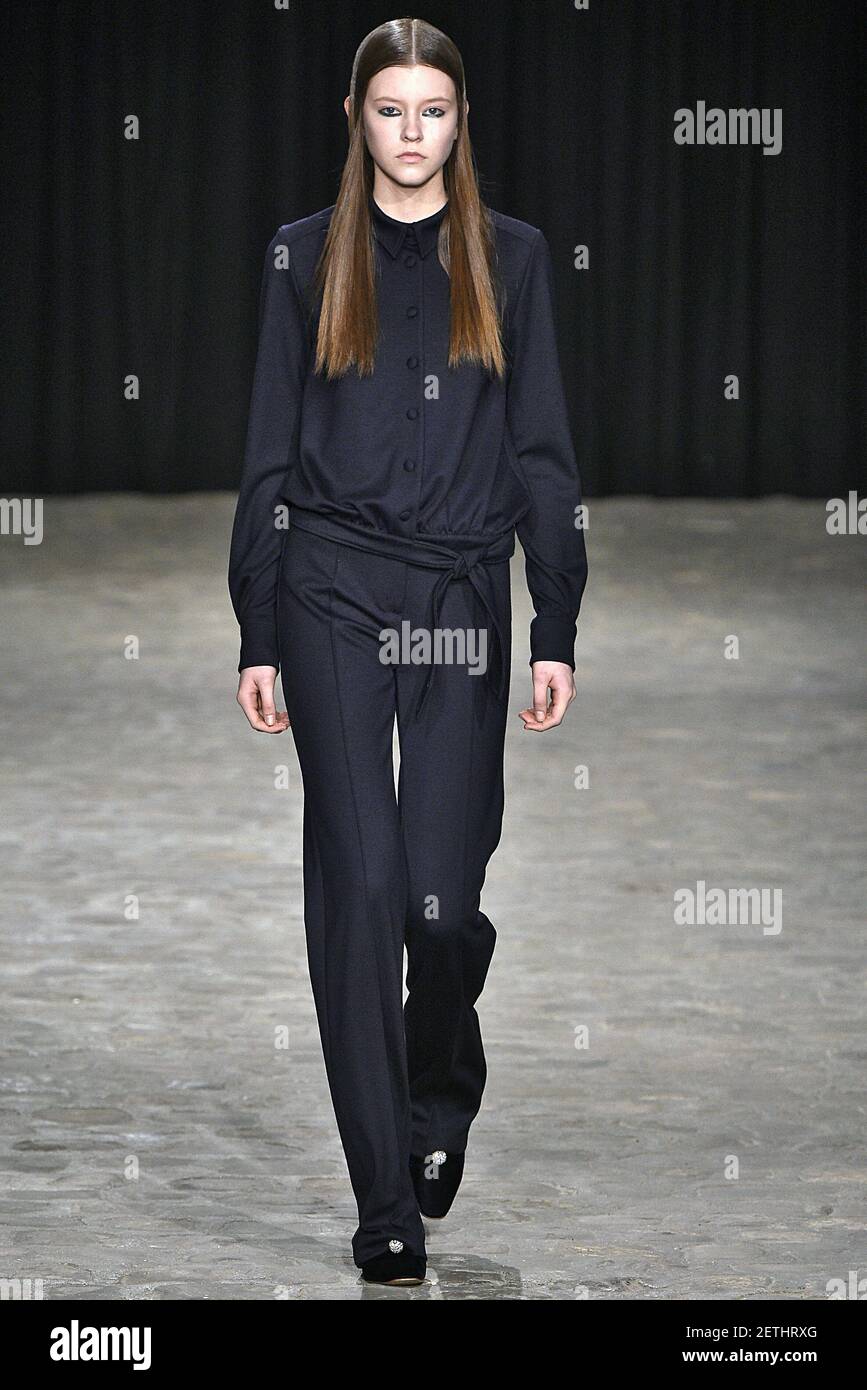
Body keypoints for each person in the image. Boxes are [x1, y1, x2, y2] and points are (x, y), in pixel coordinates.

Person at [228, 16, 588, 1288]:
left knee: (440, 902)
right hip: (328, 586)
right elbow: (270, 450)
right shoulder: (301, 259)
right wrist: (255, 621)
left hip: (459, 596)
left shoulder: (516, 260)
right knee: (363, 886)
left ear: (460, 123)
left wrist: (558, 617)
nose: (414, 132)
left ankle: (442, 1083)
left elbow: (542, 450)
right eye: (392, 110)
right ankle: (386, 1197)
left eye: (435, 110)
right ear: (356, 119)